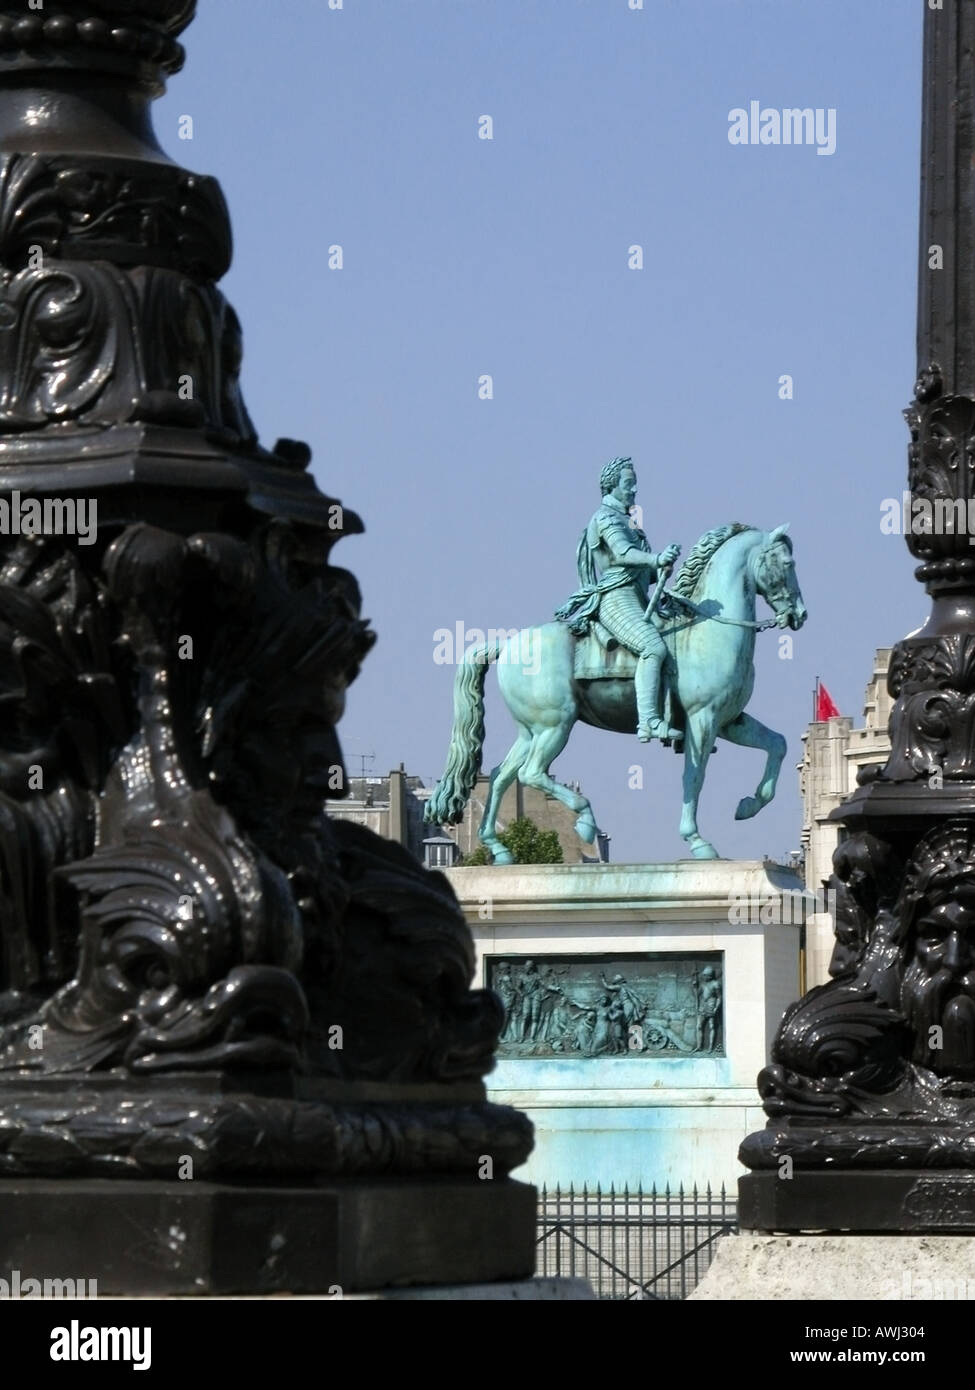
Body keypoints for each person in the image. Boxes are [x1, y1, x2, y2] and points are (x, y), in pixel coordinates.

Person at [555, 456, 681, 742]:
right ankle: (648, 720)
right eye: (628, 484)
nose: (634, 490)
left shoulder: (628, 521)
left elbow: (642, 572)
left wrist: (661, 567)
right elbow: (623, 555)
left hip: (636, 597)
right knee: (653, 649)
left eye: (635, 484)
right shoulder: (605, 517)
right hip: (615, 599)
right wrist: (655, 558)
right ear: (611, 487)